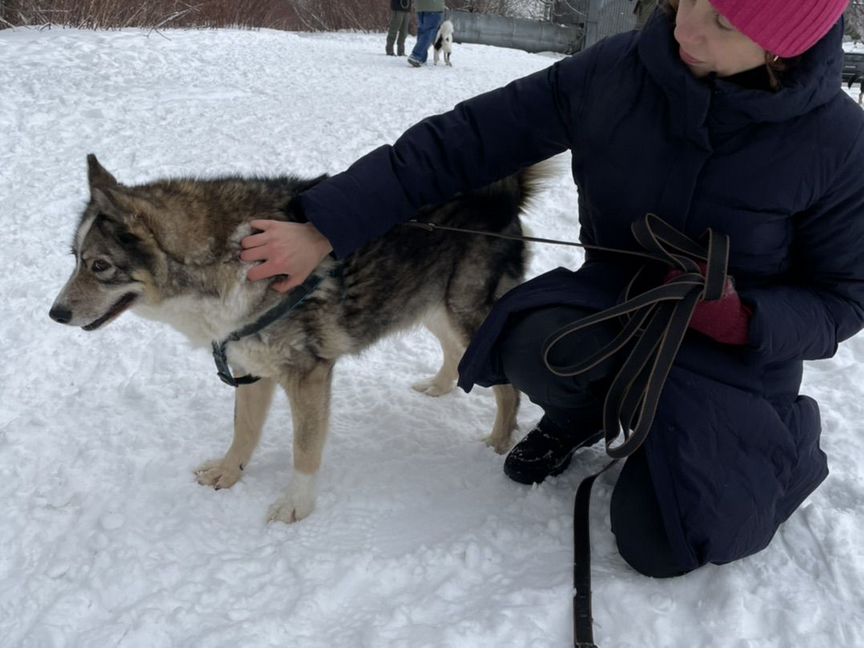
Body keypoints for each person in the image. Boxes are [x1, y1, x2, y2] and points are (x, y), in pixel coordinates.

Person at [240, 0, 864, 578]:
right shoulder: (618, 69)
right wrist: (325, 222)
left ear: (783, 47)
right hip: (612, 311)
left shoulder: (839, 143)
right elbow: (465, 142)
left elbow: (845, 295)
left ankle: (782, 446)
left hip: (730, 360)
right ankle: (584, 413)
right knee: (528, 338)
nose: (688, 27)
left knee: (666, 545)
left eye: (725, 23)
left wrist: (742, 319)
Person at [406, 0, 445, 67]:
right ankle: (416, 55)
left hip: (420, 6)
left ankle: (421, 58)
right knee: (429, 31)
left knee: (422, 31)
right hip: (434, 6)